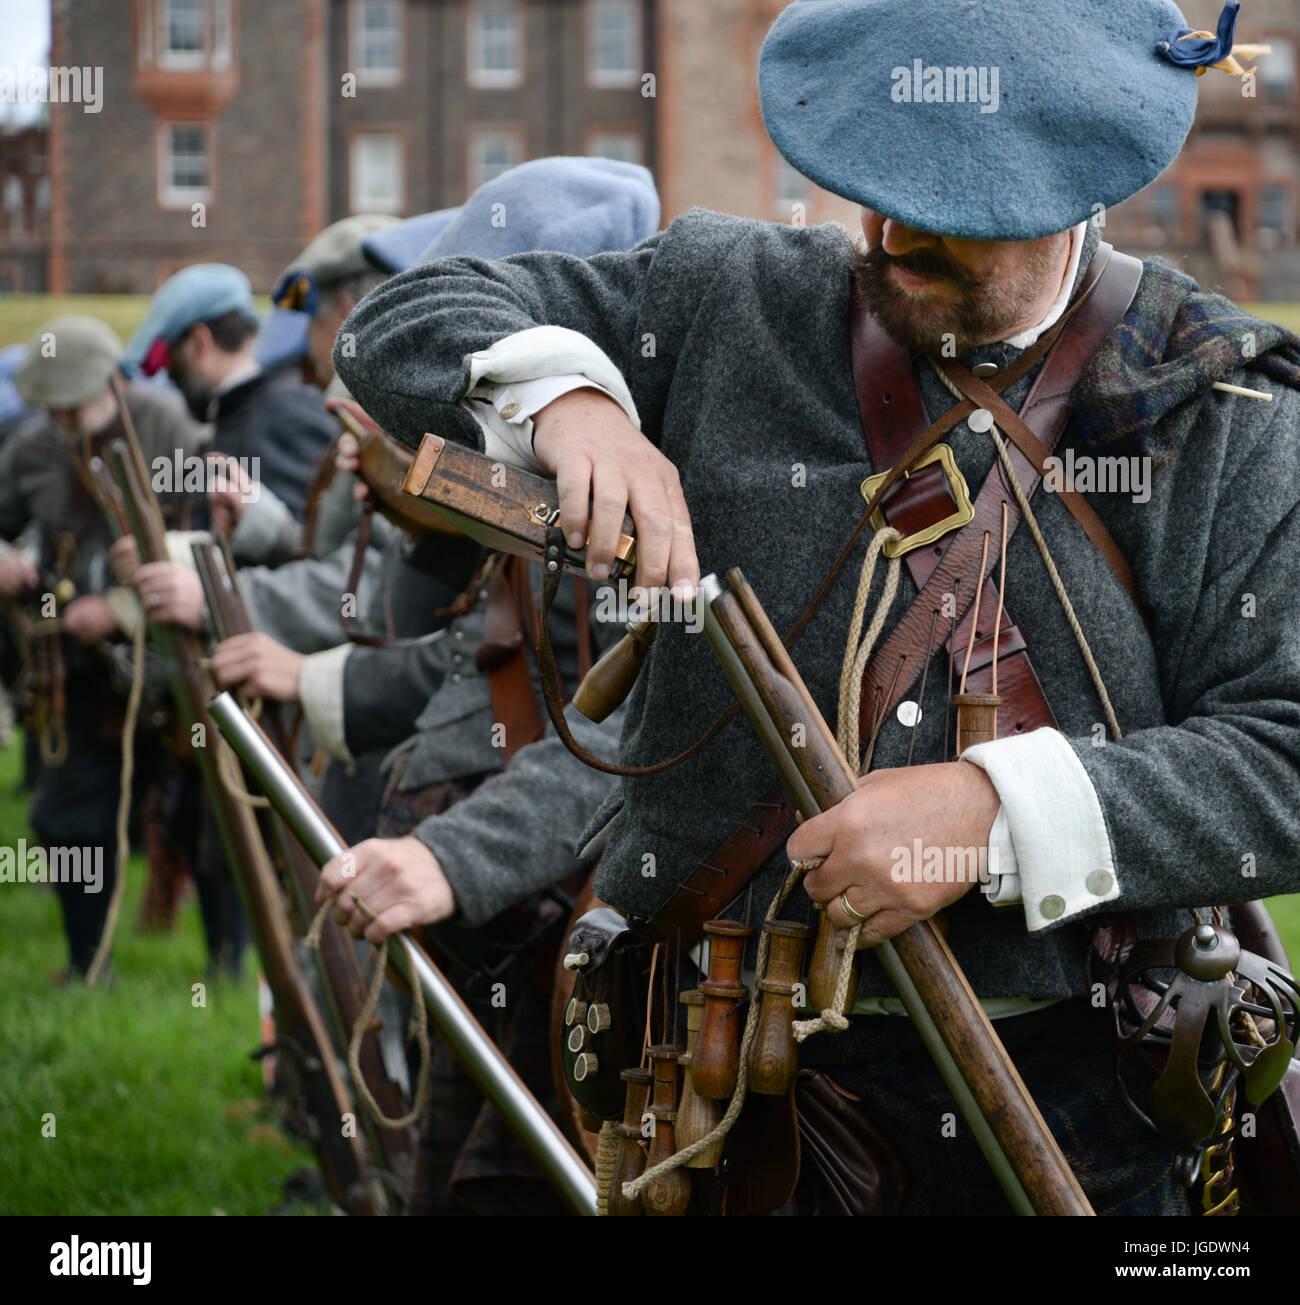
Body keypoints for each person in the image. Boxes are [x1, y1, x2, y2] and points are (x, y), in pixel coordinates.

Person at [328, 0, 1300, 1215]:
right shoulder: (723, 296)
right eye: (871, 182)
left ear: (1070, 195)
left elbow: (1282, 754)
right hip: (712, 1082)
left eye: (945, 205)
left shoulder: (1222, 407)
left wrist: (990, 811)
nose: (887, 233)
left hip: (1077, 1100)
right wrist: (569, 402)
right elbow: (399, 327)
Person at [2, 316, 207, 979]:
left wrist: (117, 606)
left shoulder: (169, 427)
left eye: (71, 401)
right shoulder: (30, 446)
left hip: (173, 651)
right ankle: (88, 965)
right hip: (76, 667)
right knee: (68, 818)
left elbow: (209, 544)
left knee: (206, 812)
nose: (60, 417)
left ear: (111, 381)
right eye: (51, 404)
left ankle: (228, 972)